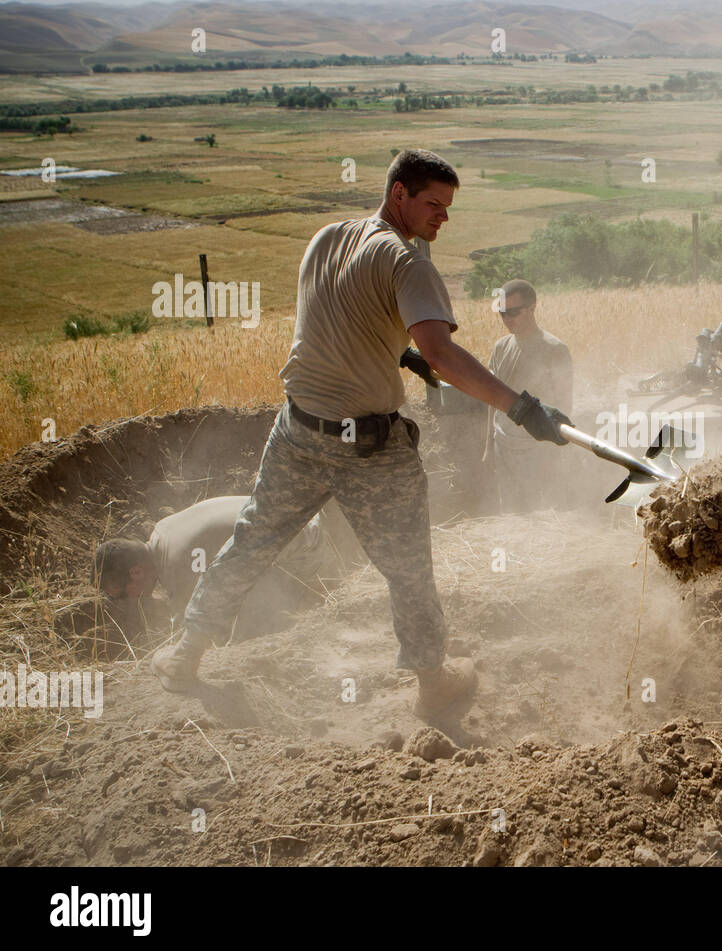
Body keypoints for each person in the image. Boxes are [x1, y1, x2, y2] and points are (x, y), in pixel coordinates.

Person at [150, 149, 572, 723]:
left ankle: (185, 655)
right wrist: (521, 407)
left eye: (449, 207)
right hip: (368, 447)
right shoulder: (408, 264)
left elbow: (338, 321)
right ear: (399, 193)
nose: (443, 218)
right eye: (433, 204)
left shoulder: (326, 239)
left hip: (298, 430)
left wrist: (395, 353)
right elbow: (442, 352)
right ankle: (433, 683)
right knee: (407, 564)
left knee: (250, 542)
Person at [95, 497, 364, 636]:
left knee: (247, 628)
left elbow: (195, 624)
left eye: (120, 592)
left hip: (307, 541)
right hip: (301, 515)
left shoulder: (178, 566)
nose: (127, 599)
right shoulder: (162, 531)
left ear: (136, 572)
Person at [484, 279, 574, 513]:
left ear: (532, 307)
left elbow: (564, 403)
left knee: (539, 513)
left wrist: (556, 452)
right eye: (502, 313)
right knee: (511, 513)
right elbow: (492, 397)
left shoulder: (554, 349)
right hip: (503, 445)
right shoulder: (500, 347)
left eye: (513, 312)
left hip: (537, 449)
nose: (507, 319)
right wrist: (488, 444)